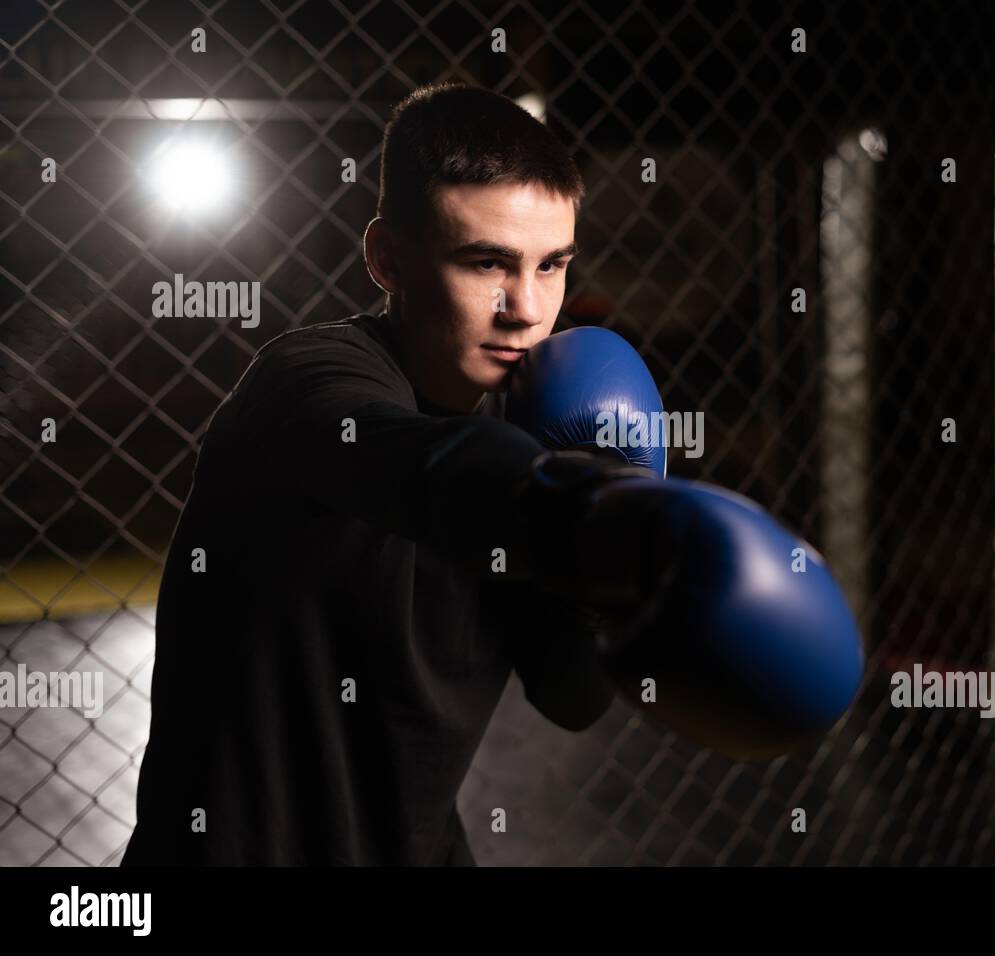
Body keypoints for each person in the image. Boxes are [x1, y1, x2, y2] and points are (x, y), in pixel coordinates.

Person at [122, 83, 862, 867]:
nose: (528, 309)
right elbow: (427, 468)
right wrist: (609, 510)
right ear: (387, 258)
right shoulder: (307, 384)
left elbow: (570, 696)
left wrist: (606, 542)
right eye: (487, 264)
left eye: (553, 266)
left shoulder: (546, 418)